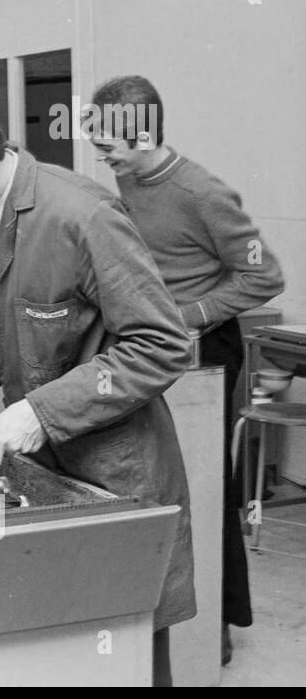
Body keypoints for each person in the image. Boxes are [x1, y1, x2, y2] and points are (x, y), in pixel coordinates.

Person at [0, 88, 195, 686]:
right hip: (44, 474)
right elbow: (4, 318)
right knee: (58, 656)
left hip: (113, 478)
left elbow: (162, 344)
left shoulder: (83, 216)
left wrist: (42, 413)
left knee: (123, 662)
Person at [85, 74, 284, 666]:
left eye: (110, 142)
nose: (101, 152)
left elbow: (263, 277)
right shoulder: (124, 183)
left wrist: (188, 315)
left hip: (205, 351)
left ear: (145, 132)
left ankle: (214, 626)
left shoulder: (201, 192)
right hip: (153, 347)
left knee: (203, 486)